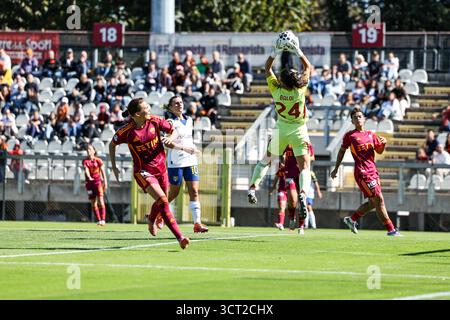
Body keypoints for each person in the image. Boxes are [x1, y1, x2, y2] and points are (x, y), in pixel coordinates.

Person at [247, 35, 313, 232]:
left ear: (282, 80)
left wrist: (275, 51)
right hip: (299, 129)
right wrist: (297, 50)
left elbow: (267, 69)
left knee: (266, 160)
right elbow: (308, 68)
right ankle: (302, 192)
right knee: (305, 167)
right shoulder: (300, 90)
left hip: (281, 128)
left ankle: (252, 187)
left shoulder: (276, 90)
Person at [109, 98, 190, 249]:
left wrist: (169, 138)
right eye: (146, 107)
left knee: (162, 200)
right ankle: (180, 237)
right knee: (163, 200)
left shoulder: (155, 121)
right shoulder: (127, 132)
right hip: (143, 171)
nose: (149, 109)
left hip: (162, 169)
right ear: (137, 114)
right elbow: (112, 144)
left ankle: (151, 219)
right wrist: (114, 167)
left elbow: (174, 130)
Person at [330, 107, 401, 236]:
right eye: (355, 117)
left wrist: (383, 144)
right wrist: (336, 168)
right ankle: (391, 230)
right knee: (379, 199)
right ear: (352, 121)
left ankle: (351, 219)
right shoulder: (350, 136)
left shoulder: (370, 135)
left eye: (359, 116)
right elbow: (341, 152)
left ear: (364, 119)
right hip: (362, 172)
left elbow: (379, 151)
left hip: (373, 171)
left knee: (373, 203)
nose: (357, 119)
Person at [163, 96, 208, 233]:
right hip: (176, 162)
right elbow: (168, 142)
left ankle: (197, 223)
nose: (179, 105)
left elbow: (188, 138)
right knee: (174, 193)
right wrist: (185, 148)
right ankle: (159, 211)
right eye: (176, 103)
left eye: (181, 102)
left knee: (194, 191)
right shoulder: (170, 122)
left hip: (191, 160)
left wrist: (193, 147)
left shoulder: (189, 120)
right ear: (170, 107)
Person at [82, 144, 108, 226]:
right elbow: (86, 170)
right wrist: (89, 177)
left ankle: (103, 220)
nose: (88, 151)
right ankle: (98, 220)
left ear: (94, 151)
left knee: (101, 200)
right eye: (87, 150)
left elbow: (103, 171)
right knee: (93, 202)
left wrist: (105, 181)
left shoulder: (98, 160)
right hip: (89, 184)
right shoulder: (85, 161)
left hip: (97, 182)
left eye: (90, 149)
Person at [269, 161, 287, 231]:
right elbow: (276, 179)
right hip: (282, 191)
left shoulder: (293, 168)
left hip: (291, 191)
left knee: (291, 207)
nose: (281, 164)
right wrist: (272, 189)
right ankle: (281, 223)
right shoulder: (280, 171)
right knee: (282, 207)